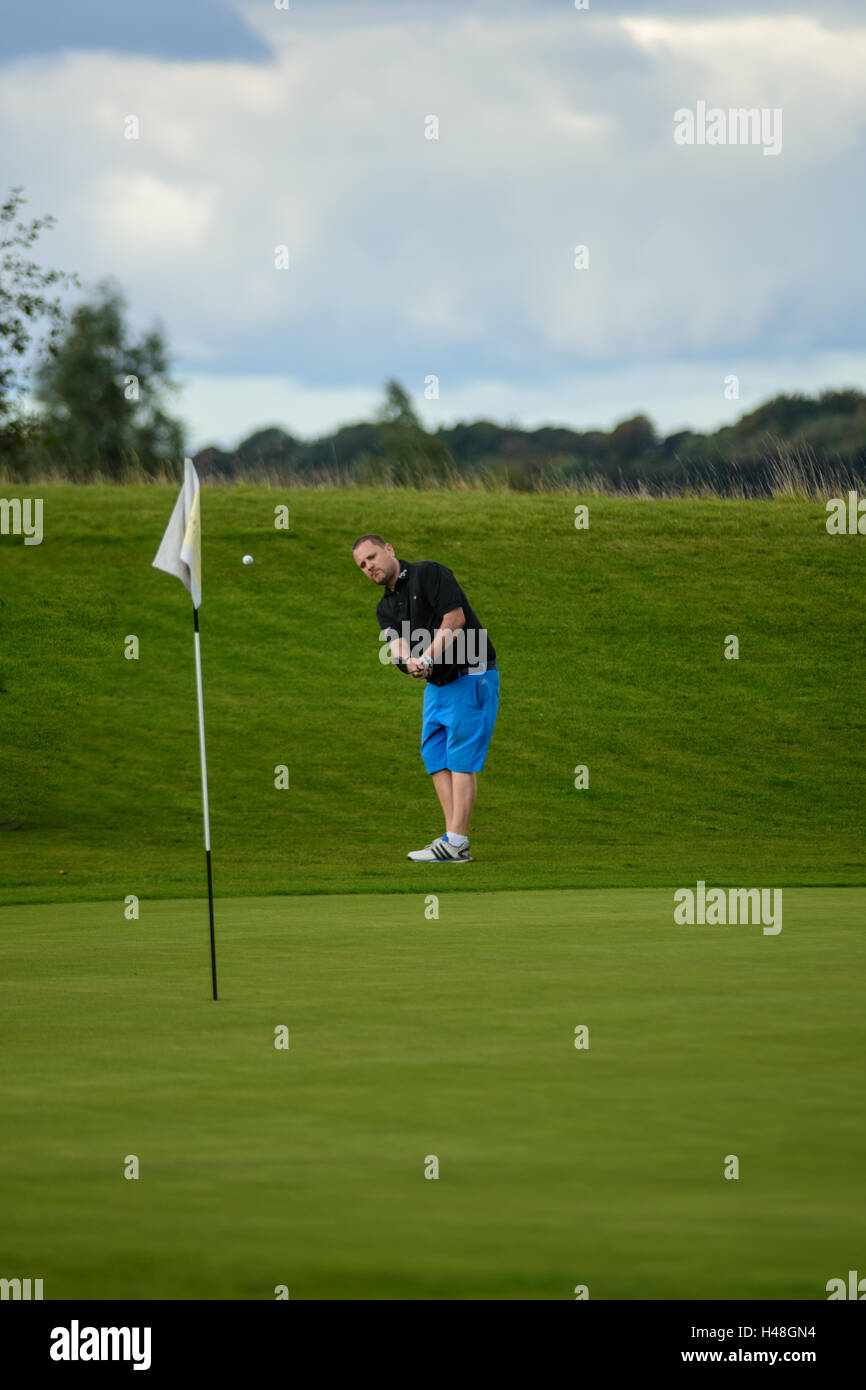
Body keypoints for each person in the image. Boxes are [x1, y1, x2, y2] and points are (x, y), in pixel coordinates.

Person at [352, 534, 499, 862]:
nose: (369, 567)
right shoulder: (385, 608)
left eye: (372, 557)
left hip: (471, 672)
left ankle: (456, 841)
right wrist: (410, 662)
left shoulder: (428, 573)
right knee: (434, 755)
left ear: (389, 549)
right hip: (438, 685)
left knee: (461, 759)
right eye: (362, 565)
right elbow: (396, 645)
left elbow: (455, 620)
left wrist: (428, 657)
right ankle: (453, 839)